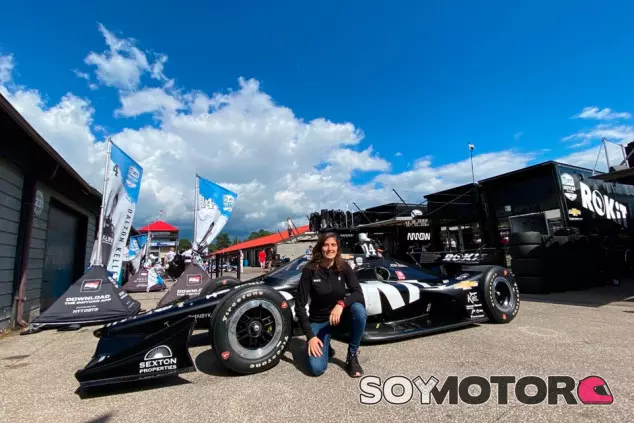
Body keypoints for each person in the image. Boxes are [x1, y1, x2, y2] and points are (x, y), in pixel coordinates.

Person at [294, 232, 367, 377]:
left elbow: (358, 293)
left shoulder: (344, 266)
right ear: (320, 248)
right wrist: (311, 336)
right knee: (316, 369)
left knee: (359, 310)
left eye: (333, 245)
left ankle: (352, 355)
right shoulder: (309, 270)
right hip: (319, 321)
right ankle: (325, 345)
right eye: (326, 245)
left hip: (339, 319)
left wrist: (341, 304)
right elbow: (299, 306)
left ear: (337, 248)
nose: (329, 248)